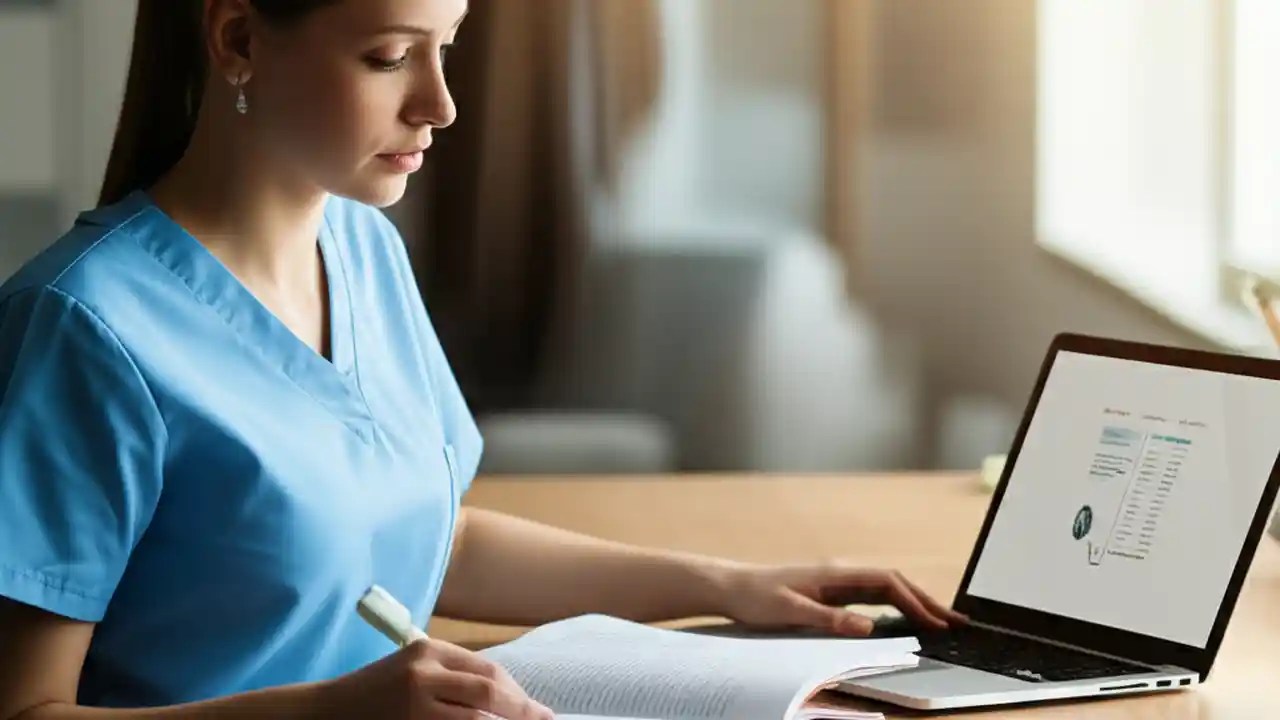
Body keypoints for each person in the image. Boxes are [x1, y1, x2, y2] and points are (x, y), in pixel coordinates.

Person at [0, 1, 965, 719]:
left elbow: (432, 539)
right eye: (389, 58)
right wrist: (334, 713)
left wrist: (725, 586)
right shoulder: (82, 328)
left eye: (447, 49)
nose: (442, 105)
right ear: (240, 40)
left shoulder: (363, 250)